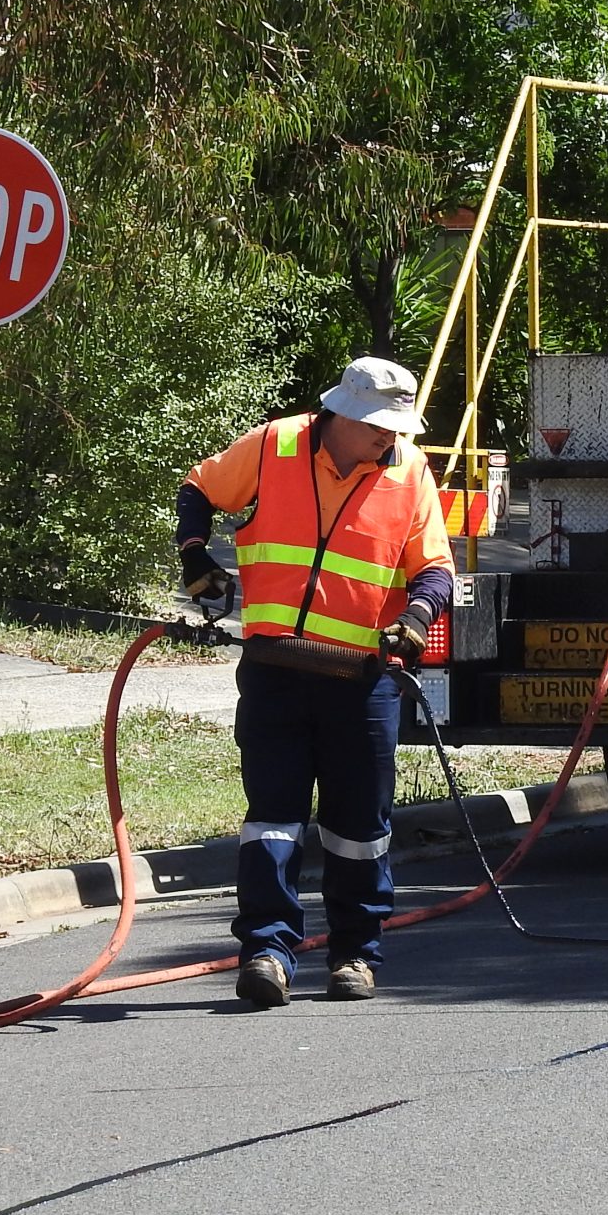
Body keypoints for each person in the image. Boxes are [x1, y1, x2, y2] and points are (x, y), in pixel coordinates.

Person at [178, 356, 454, 1008]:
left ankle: (355, 954)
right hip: (276, 671)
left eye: (396, 426)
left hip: (362, 682)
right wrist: (195, 555)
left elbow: (435, 571)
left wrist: (414, 620)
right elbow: (198, 488)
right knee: (273, 821)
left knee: (359, 826)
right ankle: (267, 953)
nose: (390, 436)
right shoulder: (274, 446)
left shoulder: (408, 472)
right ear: (343, 413)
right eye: (379, 426)